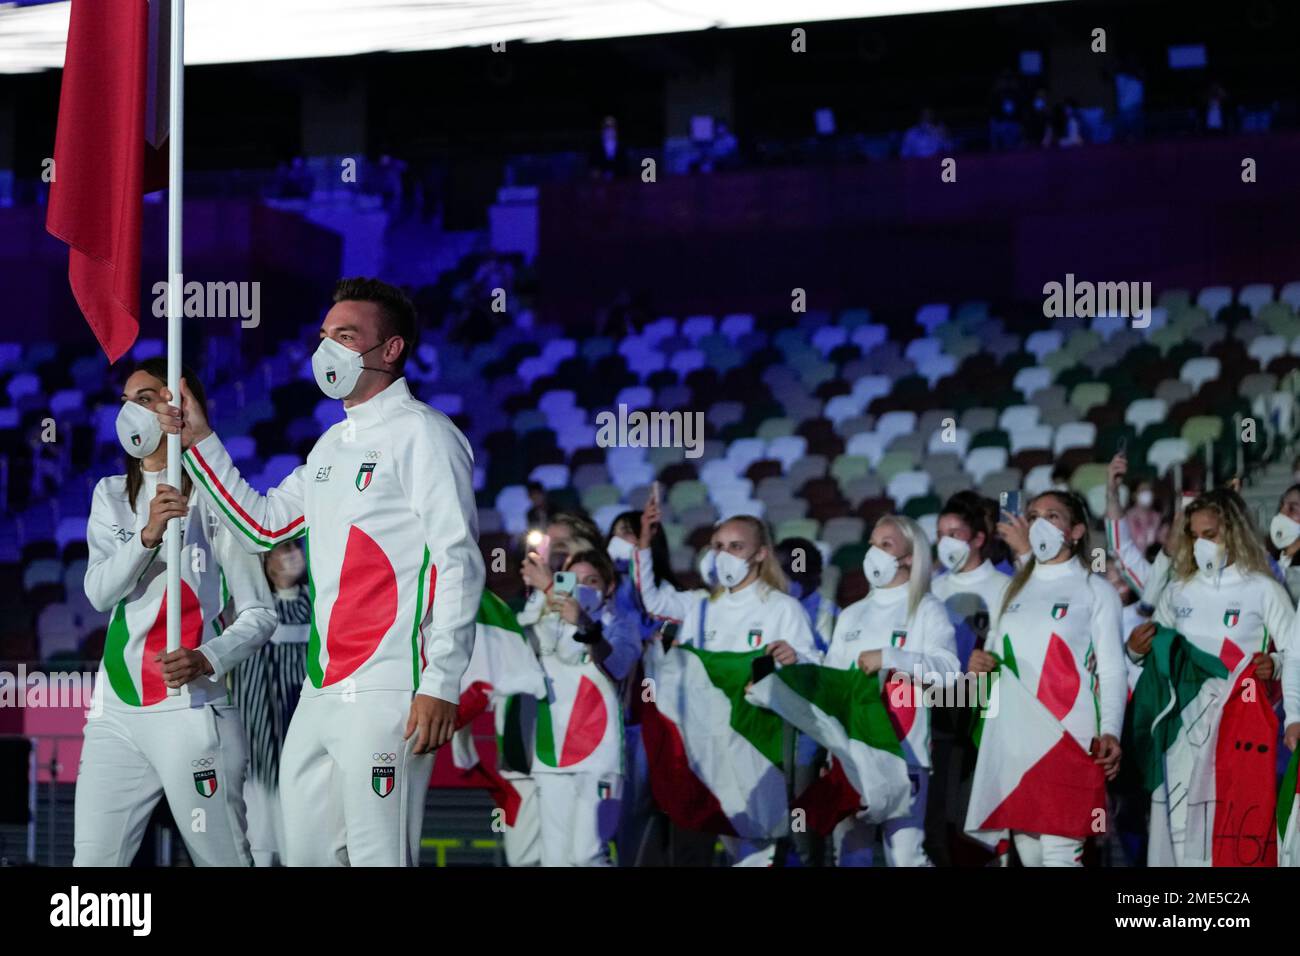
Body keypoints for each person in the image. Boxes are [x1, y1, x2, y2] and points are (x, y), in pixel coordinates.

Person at [157, 277, 485, 866]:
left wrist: (441, 683)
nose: (326, 349)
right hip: (321, 689)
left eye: (346, 335)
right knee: (305, 855)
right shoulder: (330, 446)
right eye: (324, 335)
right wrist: (201, 439)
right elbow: (261, 526)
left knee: (380, 857)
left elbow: (459, 561)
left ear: (391, 350)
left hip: (390, 686)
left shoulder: (426, 435)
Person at [77, 360, 276, 866]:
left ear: (177, 407)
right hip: (115, 710)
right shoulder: (109, 495)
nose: (131, 410)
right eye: (126, 400)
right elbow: (99, 593)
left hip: (192, 710)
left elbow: (259, 612)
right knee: (92, 867)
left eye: (145, 397)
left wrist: (208, 658)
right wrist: (146, 536)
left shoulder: (216, 500)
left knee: (223, 859)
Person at [634, 499, 818, 865]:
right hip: (703, 748)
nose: (724, 555)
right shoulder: (700, 606)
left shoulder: (782, 608)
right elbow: (652, 601)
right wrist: (644, 544)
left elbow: (815, 667)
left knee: (753, 848)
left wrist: (793, 659)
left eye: (736, 547)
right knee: (694, 846)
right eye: (718, 547)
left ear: (761, 554)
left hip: (755, 745)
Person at [1127, 488, 1294, 865]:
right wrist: (1135, 650)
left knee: (1232, 827)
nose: (1200, 544)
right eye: (1194, 536)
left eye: (1210, 535)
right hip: (1182, 728)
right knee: (1182, 826)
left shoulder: (1265, 590)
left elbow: (1293, 655)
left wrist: (1276, 665)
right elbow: (1159, 657)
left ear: (1233, 532)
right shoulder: (1177, 591)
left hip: (1239, 729)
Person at [969, 490, 1126, 866]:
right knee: (1030, 852)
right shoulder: (1011, 589)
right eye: (1034, 514)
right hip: (1018, 741)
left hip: (1070, 738)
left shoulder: (1096, 590)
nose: (1039, 522)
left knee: (1061, 852)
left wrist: (1112, 732)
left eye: (1052, 516)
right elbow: (994, 655)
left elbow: (1112, 669)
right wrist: (979, 664)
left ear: (1075, 531)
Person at [823, 515, 958, 867]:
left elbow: (949, 674)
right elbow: (831, 689)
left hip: (906, 753)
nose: (873, 552)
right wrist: (828, 751)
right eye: (872, 543)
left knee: (907, 857)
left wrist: (890, 657)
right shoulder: (850, 615)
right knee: (851, 856)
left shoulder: (927, 609)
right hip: (851, 753)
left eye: (886, 545)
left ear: (910, 557)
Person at [527, 549, 641, 865]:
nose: (583, 588)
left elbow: (615, 666)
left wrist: (583, 623)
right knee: (555, 858)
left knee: (588, 855)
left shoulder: (621, 625)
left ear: (609, 588)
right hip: (553, 753)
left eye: (592, 581)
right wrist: (538, 597)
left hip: (600, 755)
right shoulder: (544, 622)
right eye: (573, 581)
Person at [928, 492, 1011, 865]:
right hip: (941, 715)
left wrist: (991, 661)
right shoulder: (930, 589)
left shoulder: (1004, 587)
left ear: (979, 538)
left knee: (976, 823)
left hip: (987, 720)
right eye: (940, 532)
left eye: (956, 533)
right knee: (938, 825)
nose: (946, 541)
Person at [232, 539, 312, 866]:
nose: (294, 554)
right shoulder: (253, 610)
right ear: (267, 565)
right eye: (284, 550)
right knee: (261, 814)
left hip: (303, 719)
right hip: (261, 728)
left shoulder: (317, 603)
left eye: (296, 547)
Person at [1268, 483, 1300, 605]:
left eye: (1292, 508)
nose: (1282, 512)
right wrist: (1287, 556)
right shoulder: (1273, 558)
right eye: (1282, 505)